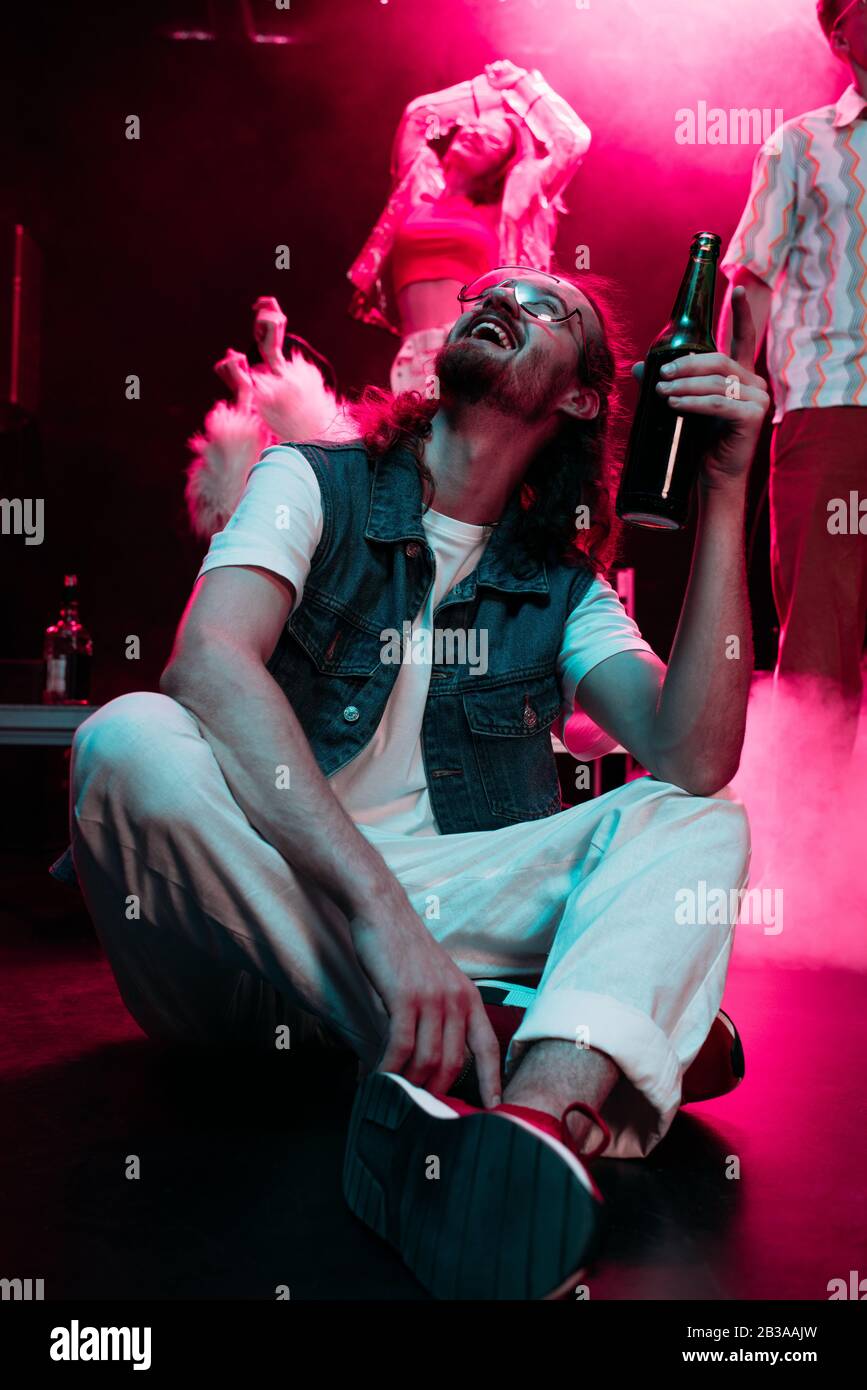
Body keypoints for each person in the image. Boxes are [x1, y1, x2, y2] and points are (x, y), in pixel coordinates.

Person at [69, 265, 766, 1299]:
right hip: (239, 929)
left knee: (697, 819)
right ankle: (505, 1045)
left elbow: (694, 750)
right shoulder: (310, 481)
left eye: (543, 308)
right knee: (129, 738)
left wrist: (725, 491)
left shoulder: (558, 587)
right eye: (489, 288)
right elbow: (211, 660)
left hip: (430, 922)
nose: (498, 297)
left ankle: (527, 1128)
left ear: (581, 395)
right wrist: (385, 921)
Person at [718, 0, 867, 769]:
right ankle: (819, 847)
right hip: (832, 406)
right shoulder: (801, 144)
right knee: (821, 635)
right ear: (838, 29)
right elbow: (750, 284)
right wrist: (726, 402)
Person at [348, 59, 591, 394]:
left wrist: (520, 86)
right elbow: (418, 116)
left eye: (493, 140)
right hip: (410, 358)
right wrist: (485, 92)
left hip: (476, 352)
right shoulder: (416, 189)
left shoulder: (508, 204)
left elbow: (572, 142)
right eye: (474, 127)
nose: (477, 134)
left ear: (501, 164)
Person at [185, 295, 352, 539]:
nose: (265, 418)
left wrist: (275, 359)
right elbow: (228, 520)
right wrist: (244, 397)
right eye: (258, 401)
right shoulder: (247, 471)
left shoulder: (342, 458)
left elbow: (330, 476)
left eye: (272, 396)